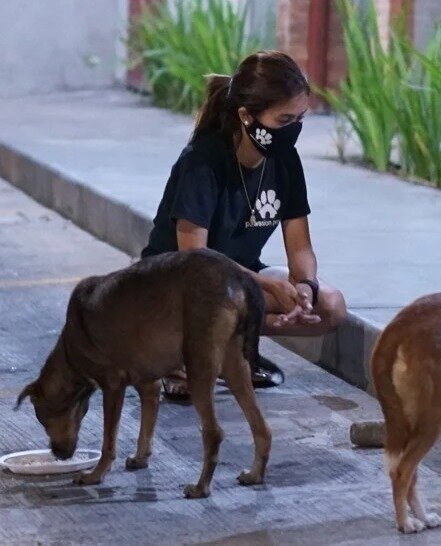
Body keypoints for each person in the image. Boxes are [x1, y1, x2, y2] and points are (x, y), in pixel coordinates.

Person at [141, 50, 347, 399]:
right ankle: (179, 348)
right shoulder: (203, 161)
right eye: (284, 120)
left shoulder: (283, 160)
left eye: (300, 119)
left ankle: (228, 347)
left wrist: (306, 290)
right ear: (246, 116)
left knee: (331, 307)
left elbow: (300, 247)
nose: (293, 130)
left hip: (236, 277)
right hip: (175, 283)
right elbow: (196, 258)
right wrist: (261, 285)